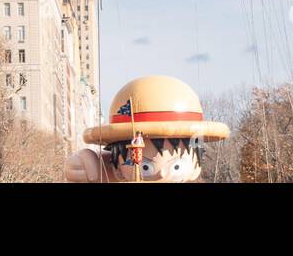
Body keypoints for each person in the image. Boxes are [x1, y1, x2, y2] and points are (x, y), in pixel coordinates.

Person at [65, 75, 228, 183]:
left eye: (176, 166)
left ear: (196, 167)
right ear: (117, 167)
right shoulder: (114, 170)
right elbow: (92, 170)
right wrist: (93, 166)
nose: (162, 175)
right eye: (144, 166)